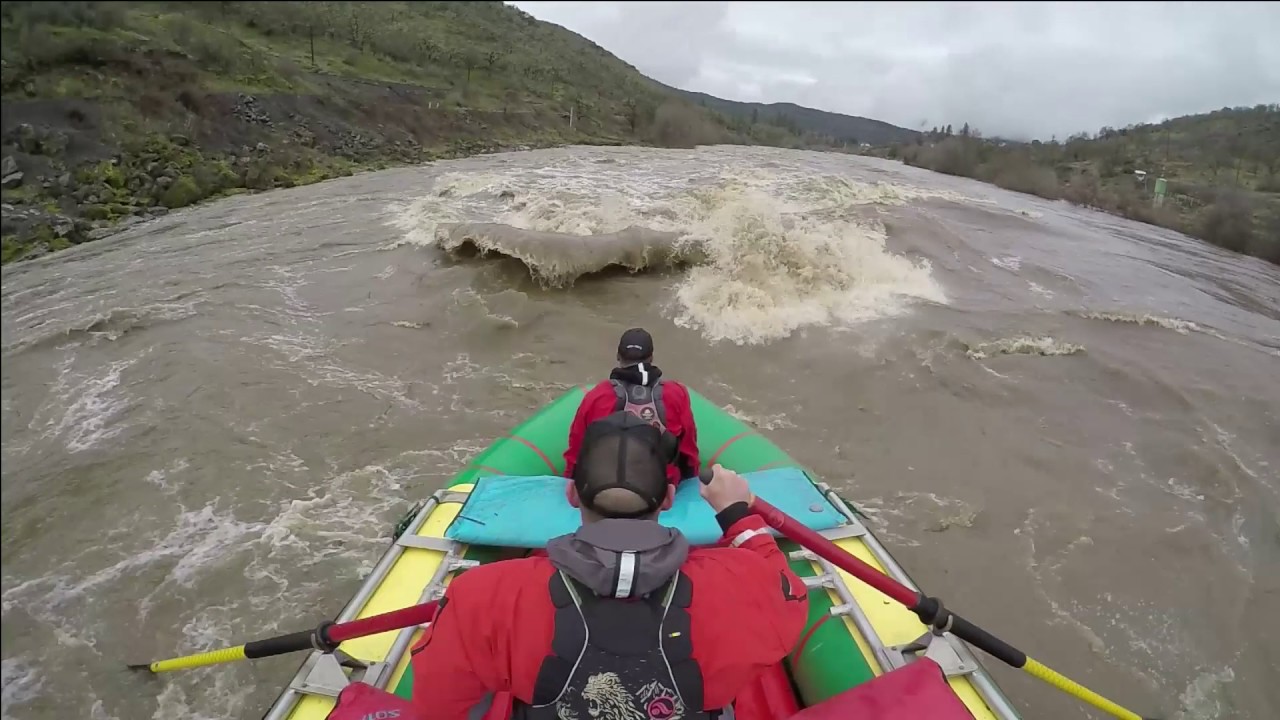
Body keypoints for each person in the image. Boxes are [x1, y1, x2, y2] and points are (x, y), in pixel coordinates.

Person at [410, 411, 809, 719]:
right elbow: (789, 593)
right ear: (669, 498)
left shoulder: (481, 595)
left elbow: (439, 703)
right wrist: (737, 514)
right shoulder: (744, 583)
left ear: (571, 494)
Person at [563, 328, 700, 486]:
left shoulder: (596, 397)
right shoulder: (677, 394)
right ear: (651, 357)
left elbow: (576, 454)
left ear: (618, 356)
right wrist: (690, 488)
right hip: (660, 489)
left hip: (605, 489)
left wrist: (570, 485)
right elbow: (688, 453)